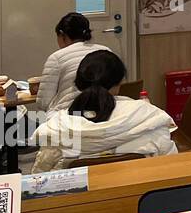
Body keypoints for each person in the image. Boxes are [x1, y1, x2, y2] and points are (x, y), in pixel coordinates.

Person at [31, 51, 177, 172]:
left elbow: (39, 178)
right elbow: (171, 166)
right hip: (141, 200)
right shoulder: (148, 116)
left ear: (79, 83)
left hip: (77, 204)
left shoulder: (57, 127)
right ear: (119, 82)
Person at [37, 12, 115, 111]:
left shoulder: (56, 58)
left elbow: (43, 102)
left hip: (69, 115)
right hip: (104, 111)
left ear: (62, 34)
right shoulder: (106, 52)